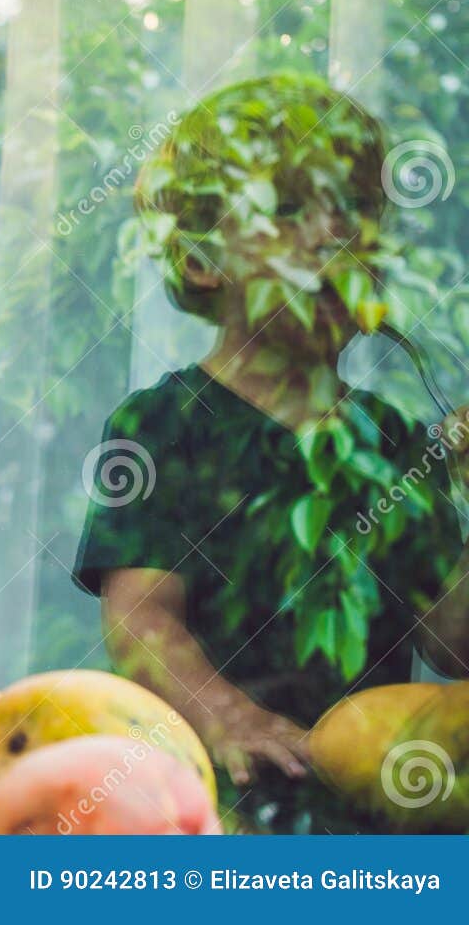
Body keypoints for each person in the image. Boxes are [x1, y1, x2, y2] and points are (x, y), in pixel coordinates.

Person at [75, 74, 469, 831]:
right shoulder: (162, 424)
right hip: (205, 807)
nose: (337, 233)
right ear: (201, 259)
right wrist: (225, 713)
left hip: (377, 811)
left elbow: (450, 643)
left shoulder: (394, 441)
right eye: (291, 209)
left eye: (358, 211)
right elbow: (140, 617)